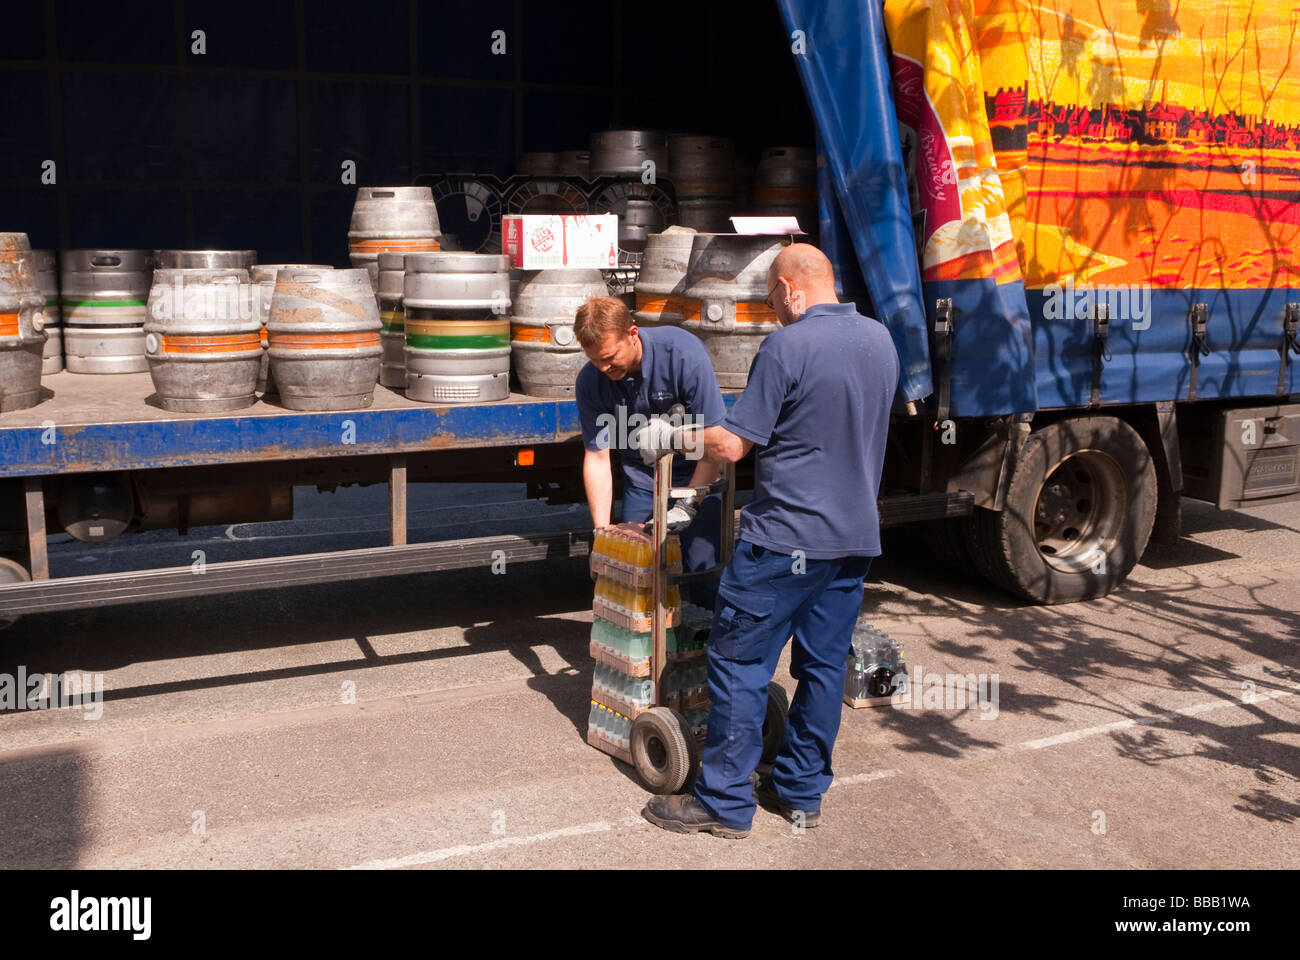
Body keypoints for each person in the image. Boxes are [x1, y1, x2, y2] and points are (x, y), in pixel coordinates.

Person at [636, 243, 900, 838]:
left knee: (738, 664)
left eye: (771, 299)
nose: (772, 309)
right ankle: (802, 794)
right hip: (853, 541)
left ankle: (724, 804)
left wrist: (673, 435)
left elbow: (733, 443)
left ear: (788, 289)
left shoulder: (787, 345)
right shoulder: (881, 341)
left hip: (784, 541)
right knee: (825, 670)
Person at [574, 296, 726, 609]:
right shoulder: (592, 380)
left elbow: (715, 442)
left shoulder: (683, 354)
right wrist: (601, 532)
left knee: (703, 575)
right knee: (637, 576)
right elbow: (598, 456)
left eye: (610, 357)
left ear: (632, 334)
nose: (603, 368)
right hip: (643, 481)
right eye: (594, 361)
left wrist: (688, 503)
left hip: (696, 475)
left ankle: (707, 651)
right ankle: (648, 655)